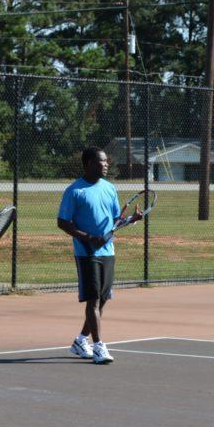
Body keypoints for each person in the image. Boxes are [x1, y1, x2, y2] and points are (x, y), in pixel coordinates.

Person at [56, 146, 139, 364]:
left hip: (107, 251)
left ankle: (81, 339)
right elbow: (62, 222)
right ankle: (99, 346)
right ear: (89, 164)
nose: (106, 165)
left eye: (106, 162)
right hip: (86, 253)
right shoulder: (75, 191)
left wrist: (131, 220)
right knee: (93, 299)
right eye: (102, 162)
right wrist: (86, 237)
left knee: (101, 299)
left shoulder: (110, 188)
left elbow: (114, 220)